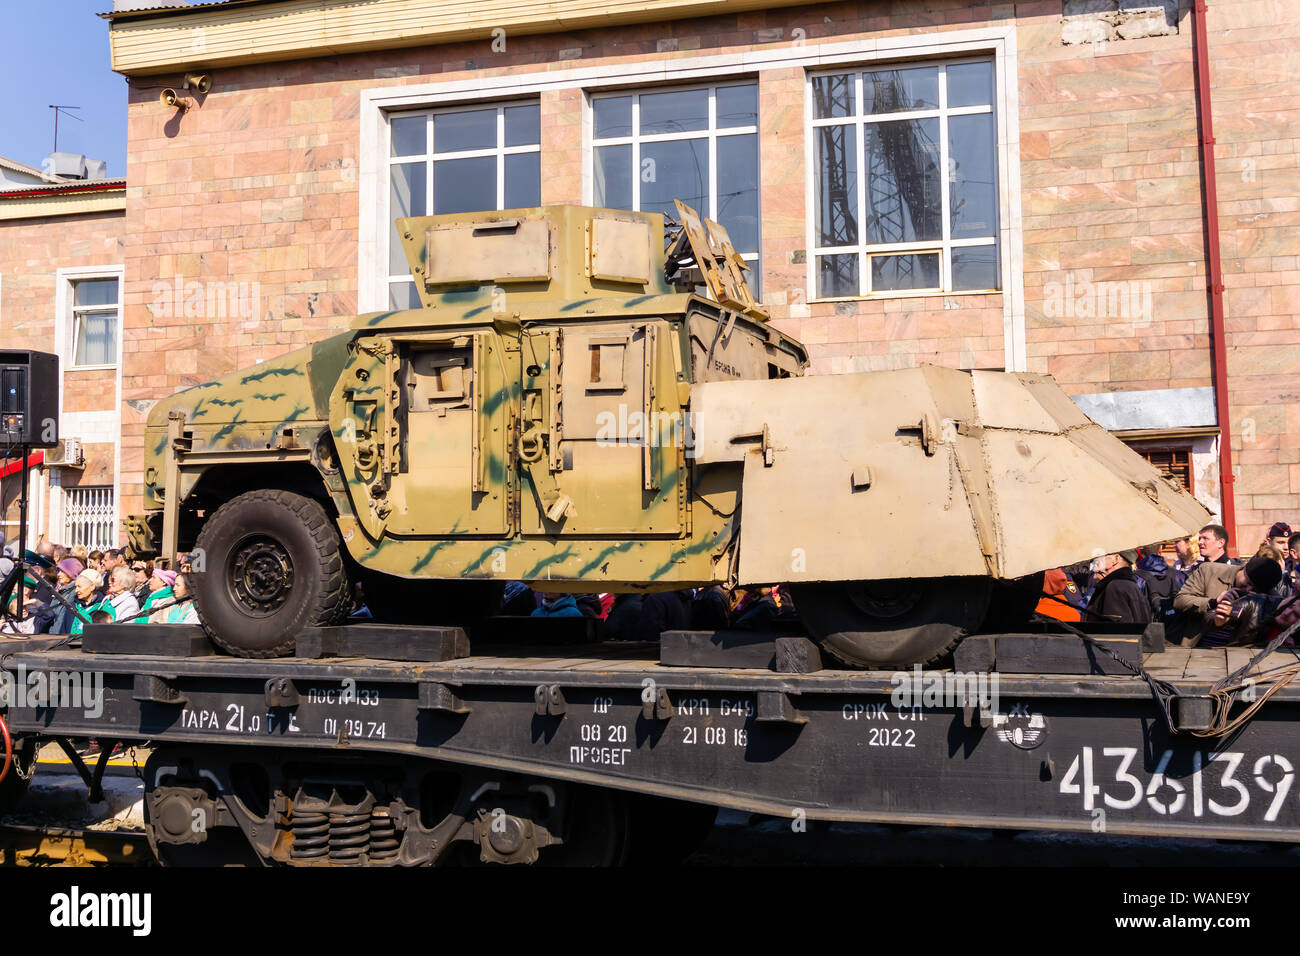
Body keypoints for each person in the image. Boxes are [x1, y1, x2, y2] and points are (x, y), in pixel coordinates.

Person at [1199, 556, 1285, 648]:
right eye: (1248, 583)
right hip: (1205, 645)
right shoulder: (1210, 570)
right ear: (1244, 570)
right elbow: (1209, 617)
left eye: (1256, 589)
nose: (1248, 589)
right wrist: (1215, 604)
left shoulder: (1270, 599)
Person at [1085, 551, 1151, 624]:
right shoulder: (1127, 585)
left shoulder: (1115, 587)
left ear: (1115, 559)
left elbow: (1116, 631)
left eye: (1100, 556)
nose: (1094, 560)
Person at [68, 569, 107, 637]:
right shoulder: (72, 606)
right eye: (75, 587)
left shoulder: (103, 607)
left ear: (92, 587)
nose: (76, 590)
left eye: (79, 587)